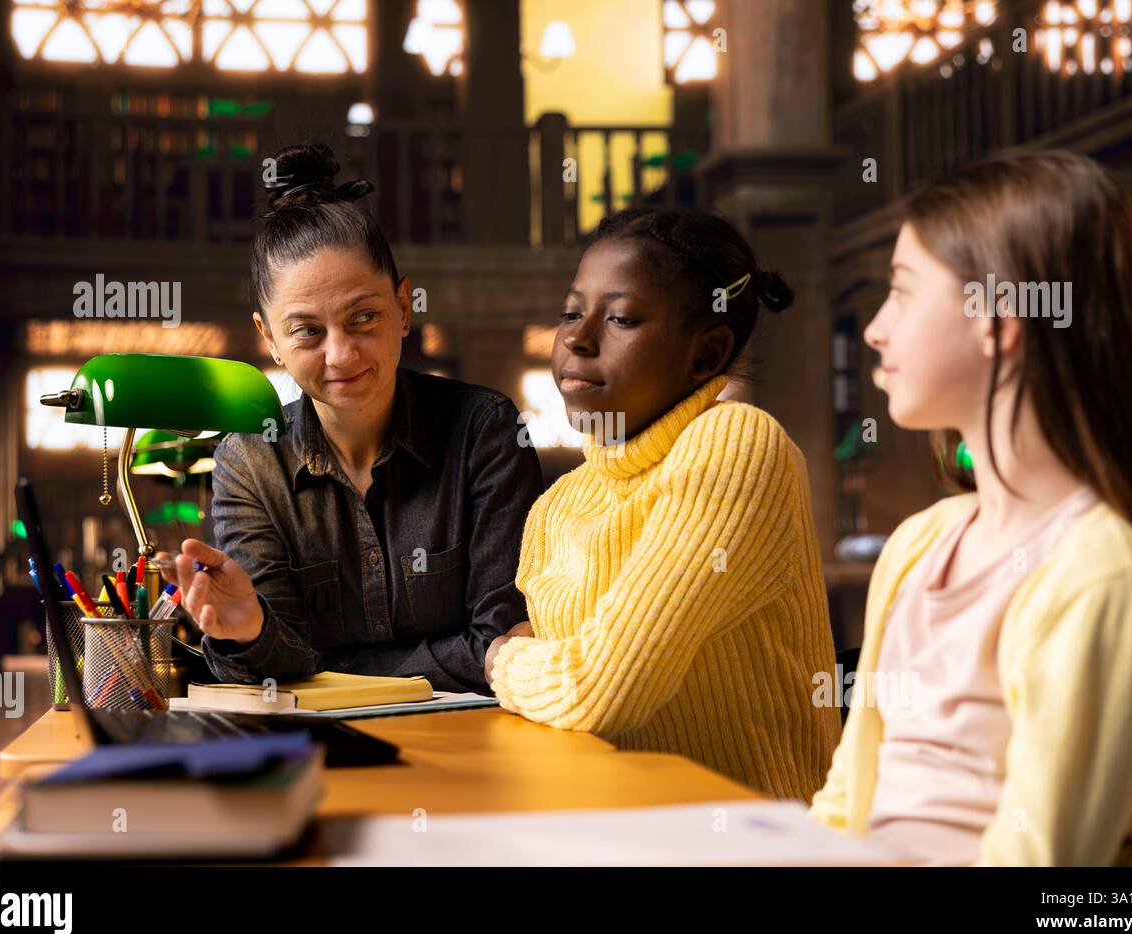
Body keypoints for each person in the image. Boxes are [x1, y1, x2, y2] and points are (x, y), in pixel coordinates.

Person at [810, 151, 1132, 865]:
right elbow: (847, 803)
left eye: (902, 293)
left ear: (998, 320)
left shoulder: (1108, 574)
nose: (876, 329)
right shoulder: (919, 542)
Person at [157, 143, 543, 694]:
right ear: (269, 339)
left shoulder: (484, 430)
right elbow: (264, 665)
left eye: (364, 317)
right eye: (307, 331)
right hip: (317, 751)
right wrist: (251, 631)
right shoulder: (250, 458)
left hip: (478, 747)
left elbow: (506, 647)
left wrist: (313, 664)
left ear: (404, 309)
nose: (342, 355)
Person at [483, 208, 841, 800]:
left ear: (706, 355)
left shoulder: (737, 443)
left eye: (620, 318)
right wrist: (537, 663)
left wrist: (499, 660)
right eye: (572, 312)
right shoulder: (560, 503)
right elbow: (568, 692)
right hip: (604, 822)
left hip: (750, 844)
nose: (577, 337)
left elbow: (599, 690)